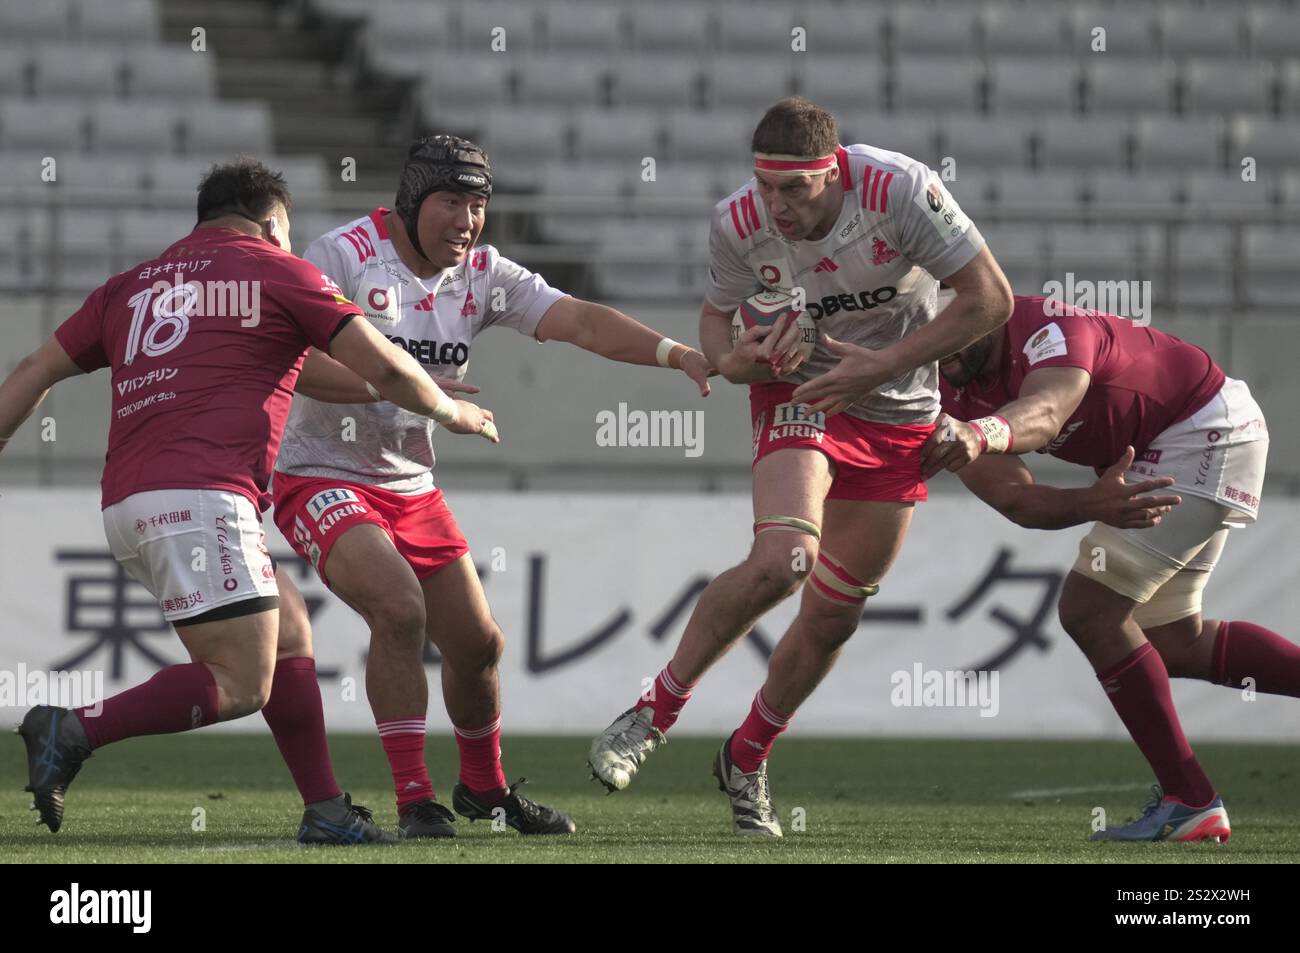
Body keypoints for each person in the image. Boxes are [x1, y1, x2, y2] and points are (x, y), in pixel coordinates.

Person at [3, 158, 496, 843]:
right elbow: (377, 359)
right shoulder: (276, 270)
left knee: (288, 627)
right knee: (241, 679)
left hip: (128, 504)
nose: (291, 244)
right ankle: (73, 728)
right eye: (287, 232)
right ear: (270, 223)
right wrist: (448, 410)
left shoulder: (129, 287)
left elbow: (33, 371)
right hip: (202, 496)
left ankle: (325, 808)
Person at [588, 97, 1013, 836]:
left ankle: (747, 755)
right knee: (785, 560)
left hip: (898, 403)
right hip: (804, 389)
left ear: (833, 171)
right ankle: (653, 713)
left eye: (795, 189)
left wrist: (881, 365)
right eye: (765, 186)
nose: (776, 206)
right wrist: (733, 360)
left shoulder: (901, 191)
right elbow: (718, 319)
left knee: (833, 614)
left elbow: (992, 300)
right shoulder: (737, 222)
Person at [272, 134, 713, 838]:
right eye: (452, 201)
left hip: (411, 485)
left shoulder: (482, 272)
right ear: (414, 199)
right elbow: (284, 362)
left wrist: (676, 352)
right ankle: (415, 800)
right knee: (399, 608)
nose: (466, 221)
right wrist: (401, 387)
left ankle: (485, 791)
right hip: (319, 472)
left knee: (478, 645)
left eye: (478, 205)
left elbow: (581, 321)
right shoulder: (341, 255)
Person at [926, 292, 1285, 842]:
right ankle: (1189, 799)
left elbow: (1044, 414)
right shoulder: (948, 388)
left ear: (988, 311)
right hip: (1174, 445)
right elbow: (1018, 501)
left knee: (1090, 609)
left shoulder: (1050, 329)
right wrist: (1086, 504)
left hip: (1201, 430)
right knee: (1170, 642)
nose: (942, 348)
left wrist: (978, 434)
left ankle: (1189, 798)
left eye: (954, 329)